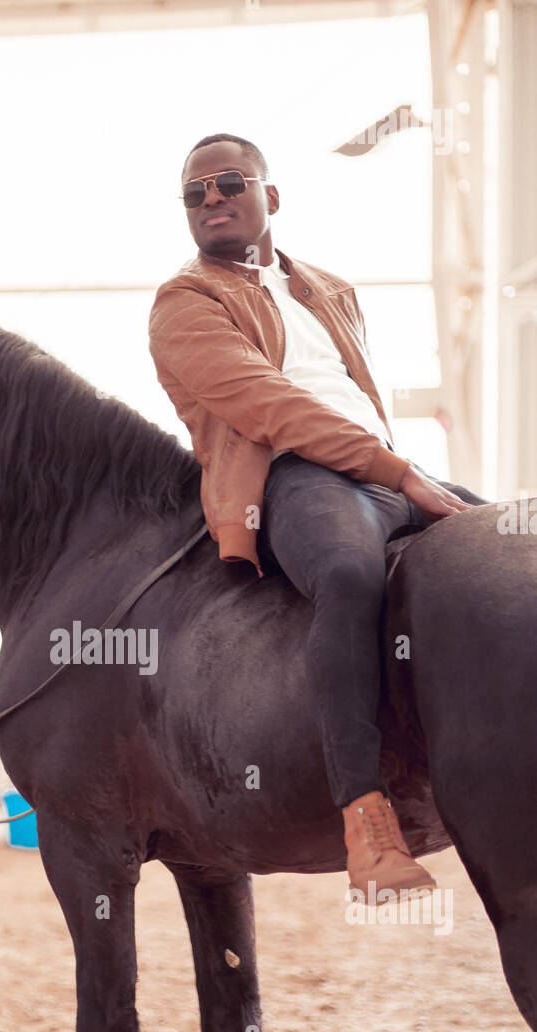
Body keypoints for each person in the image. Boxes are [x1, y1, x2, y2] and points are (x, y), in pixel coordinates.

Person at [148, 132, 486, 897]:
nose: (211, 200)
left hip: (387, 467)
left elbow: (352, 396)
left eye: (229, 183)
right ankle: (366, 822)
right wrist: (398, 473)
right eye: (194, 193)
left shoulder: (330, 288)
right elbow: (273, 408)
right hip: (298, 479)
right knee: (346, 573)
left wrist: (401, 473)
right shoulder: (183, 303)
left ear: (272, 196)